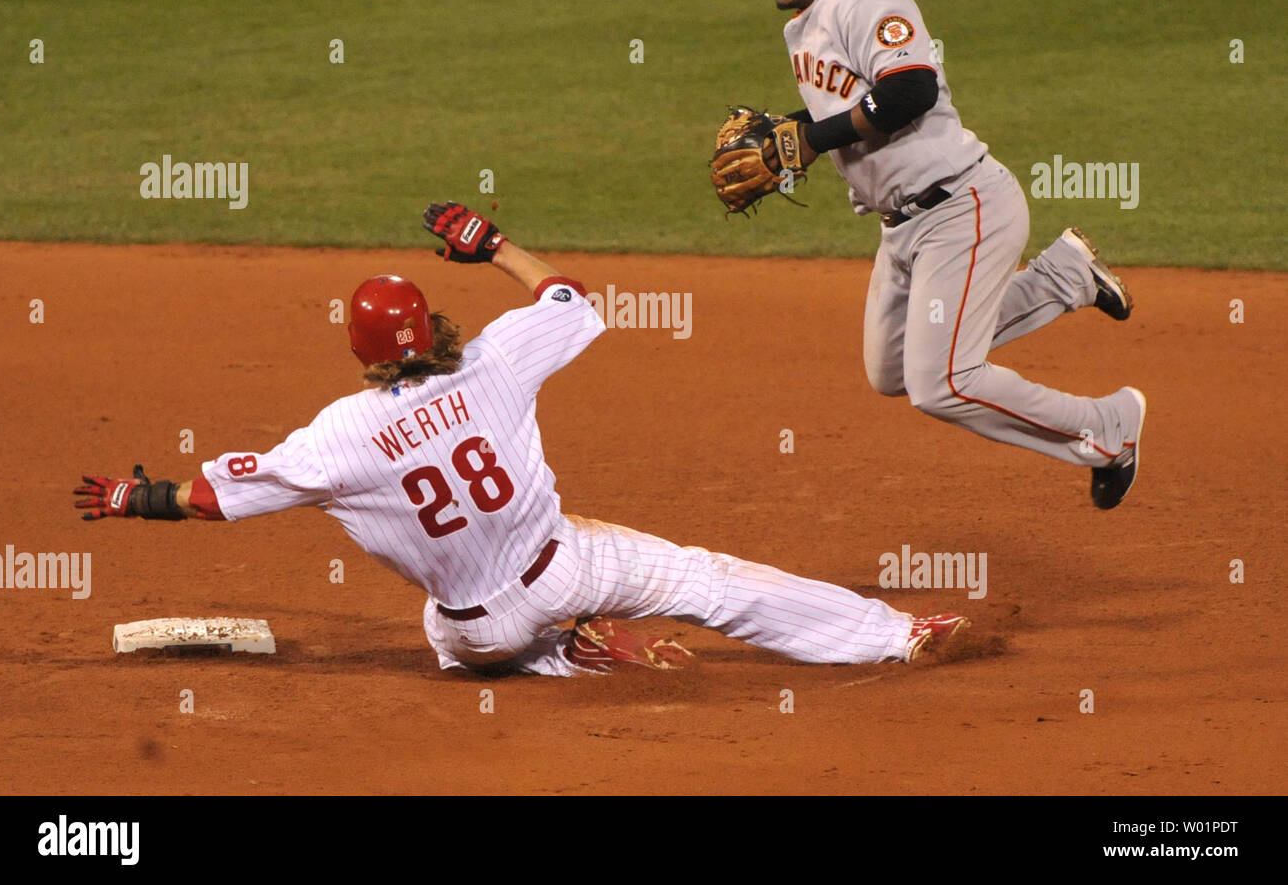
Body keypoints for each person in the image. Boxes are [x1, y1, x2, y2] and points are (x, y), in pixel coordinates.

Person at [73, 203, 969, 675]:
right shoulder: (492, 360)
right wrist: (494, 244)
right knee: (709, 582)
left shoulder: (337, 437)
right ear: (429, 325)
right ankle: (894, 635)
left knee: (452, 628)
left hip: (470, 637)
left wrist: (129, 496)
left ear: (358, 350)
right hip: (564, 571)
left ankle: (560, 657)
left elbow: (209, 498)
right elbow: (572, 300)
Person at [718, 0, 1146, 510]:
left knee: (942, 382)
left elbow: (911, 89)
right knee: (892, 369)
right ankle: (1064, 278)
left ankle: (1108, 427)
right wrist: (790, 132)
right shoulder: (805, 23)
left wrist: (810, 141)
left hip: (961, 207)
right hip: (902, 228)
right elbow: (851, 105)